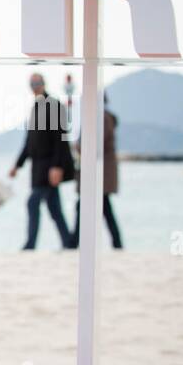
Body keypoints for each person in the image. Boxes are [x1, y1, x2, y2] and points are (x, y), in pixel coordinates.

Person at [10, 73, 77, 250]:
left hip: (49, 167)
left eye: (37, 83)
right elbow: (30, 141)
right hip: (37, 167)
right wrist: (17, 165)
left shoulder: (53, 105)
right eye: (32, 83)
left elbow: (61, 138)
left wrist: (57, 167)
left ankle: (30, 245)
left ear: (43, 84)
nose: (35, 86)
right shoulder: (36, 107)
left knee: (33, 202)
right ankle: (69, 243)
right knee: (55, 209)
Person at [69, 91, 123, 249]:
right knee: (100, 208)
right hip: (98, 173)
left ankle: (73, 243)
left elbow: (95, 144)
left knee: (94, 208)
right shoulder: (100, 118)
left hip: (99, 174)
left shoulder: (102, 119)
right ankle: (116, 244)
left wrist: (79, 147)